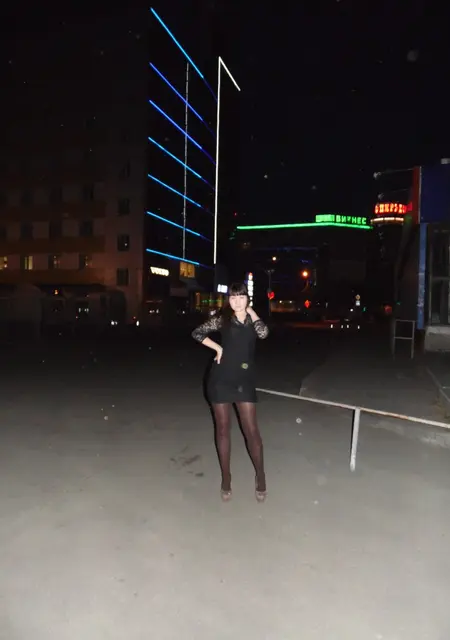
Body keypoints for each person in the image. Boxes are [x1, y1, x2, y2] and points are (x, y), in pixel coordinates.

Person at [192, 282, 269, 502]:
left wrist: (251, 311)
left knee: (251, 430)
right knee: (223, 430)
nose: (237, 301)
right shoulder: (222, 319)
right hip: (220, 380)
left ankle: (260, 476)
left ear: (247, 299)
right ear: (229, 300)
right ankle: (226, 478)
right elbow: (197, 332)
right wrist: (217, 348)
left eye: (241, 297)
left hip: (244, 380)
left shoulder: (254, 321)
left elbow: (263, 333)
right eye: (233, 297)